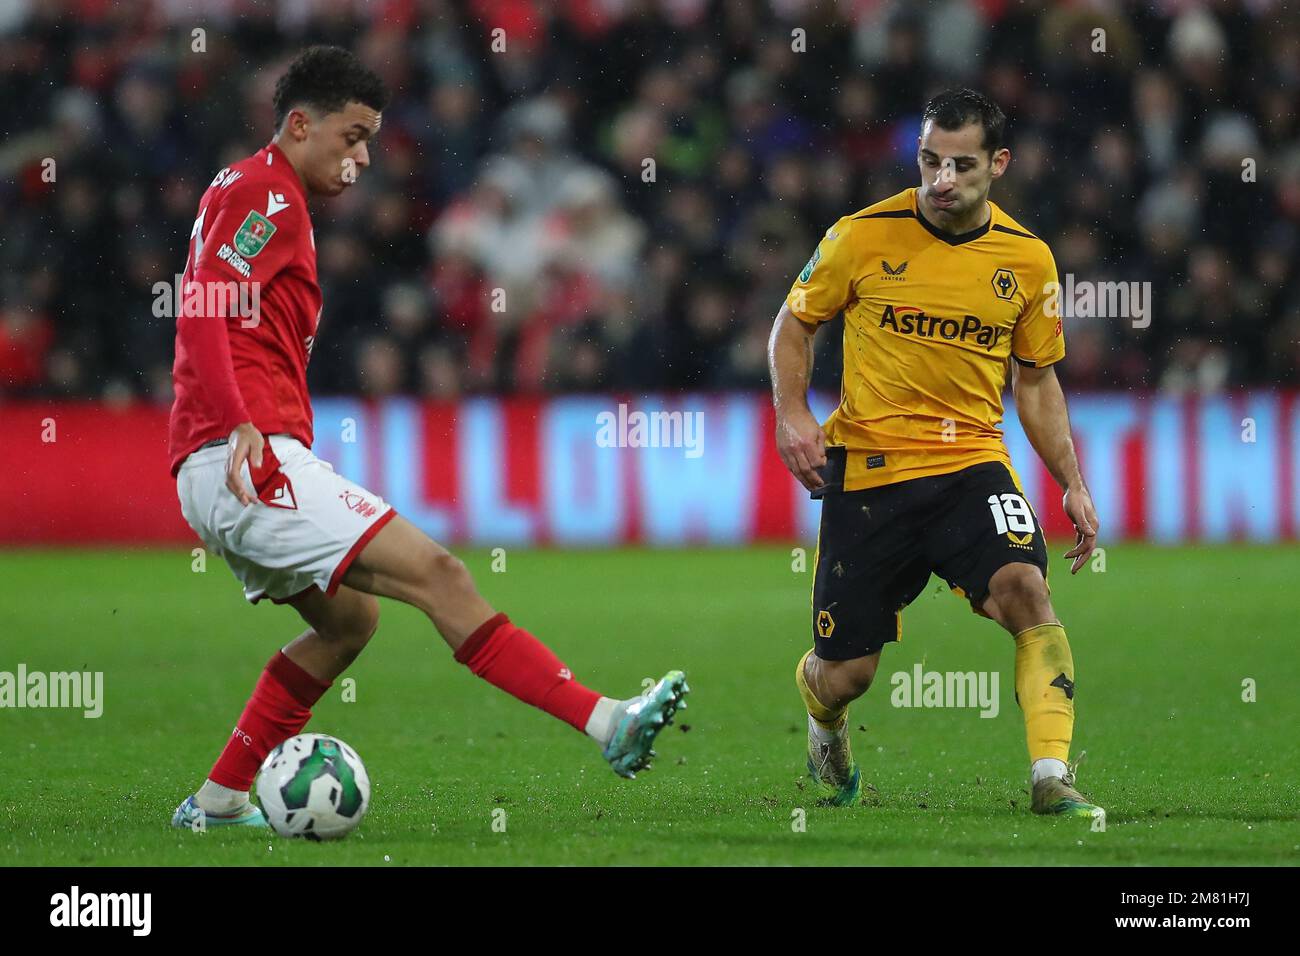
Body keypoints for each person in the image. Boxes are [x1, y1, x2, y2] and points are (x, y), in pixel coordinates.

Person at [168, 46, 686, 829]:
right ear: (300, 125)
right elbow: (205, 300)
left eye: (369, 140)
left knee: (350, 623)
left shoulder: (244, 187)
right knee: (440, 573)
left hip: (223, 457)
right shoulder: (268, 196)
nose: (363, 158)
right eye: (351, 137)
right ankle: (606, 721)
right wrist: (240, 420)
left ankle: (216, 799)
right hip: (246, 452)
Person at [767, 88, 1101, 817]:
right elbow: (794, 326)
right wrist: (793, 412)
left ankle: (1051, 778)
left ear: (999, 164)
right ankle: (822, 717)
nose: (941, 179)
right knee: (845, 673)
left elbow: (1036, 380)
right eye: (929, 161)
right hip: (872, 474)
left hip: (970, 469)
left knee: (1027, 590)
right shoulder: (862, 234)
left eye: (961, 164)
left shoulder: (1028, 260)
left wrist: (1071, 480)